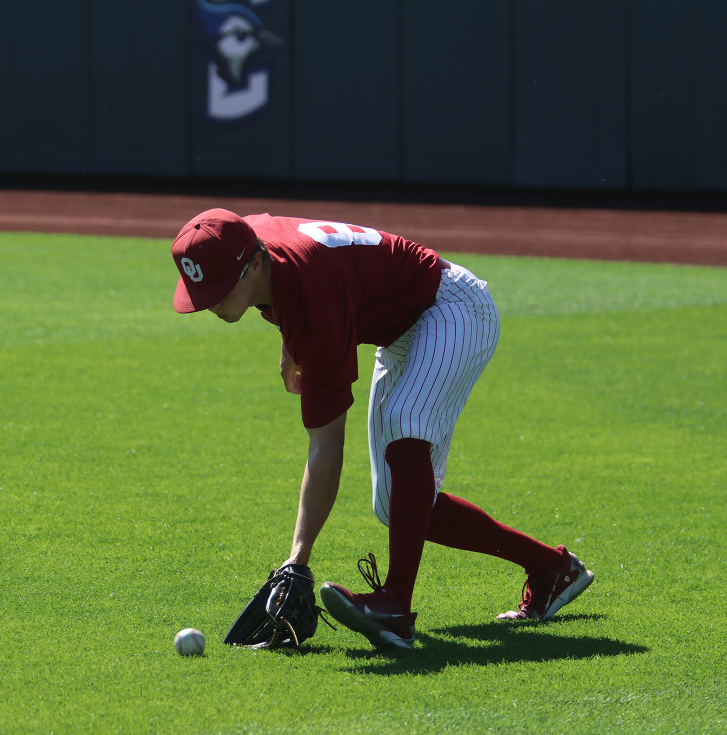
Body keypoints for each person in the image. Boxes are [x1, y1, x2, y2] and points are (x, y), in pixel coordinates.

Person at [171, 208, 594, 650]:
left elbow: (326, 446)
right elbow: (298, 278)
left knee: (404, 422)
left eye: (219, 288)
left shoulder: (311, 300)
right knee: (398, 505)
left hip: (452, 309)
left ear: (255, 262)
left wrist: (298, 558)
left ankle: (395, 606)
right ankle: (553, 569)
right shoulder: (247, 239)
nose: (209, 301)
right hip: (400, 331)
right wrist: (289, 345)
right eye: (201, 289)